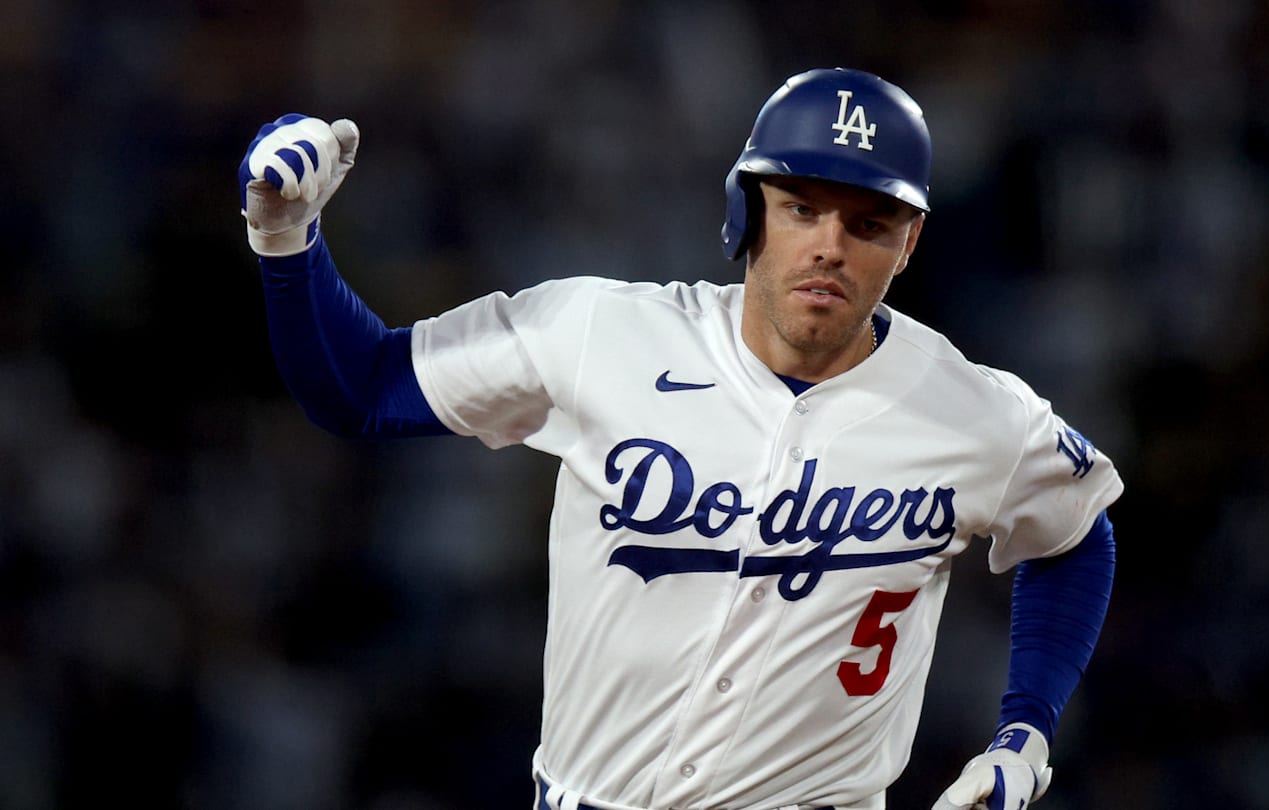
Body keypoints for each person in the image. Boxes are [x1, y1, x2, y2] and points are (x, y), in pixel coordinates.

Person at [239, 67, 1122, 810]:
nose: (829, 246)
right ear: (749, 210)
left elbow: (1079, 533)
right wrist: (287, 239)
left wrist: (1025, 732)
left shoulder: (974, 413)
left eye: (867, 224)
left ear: (910, 241)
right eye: (802, 207)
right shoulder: (598, 334)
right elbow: (359, 388)